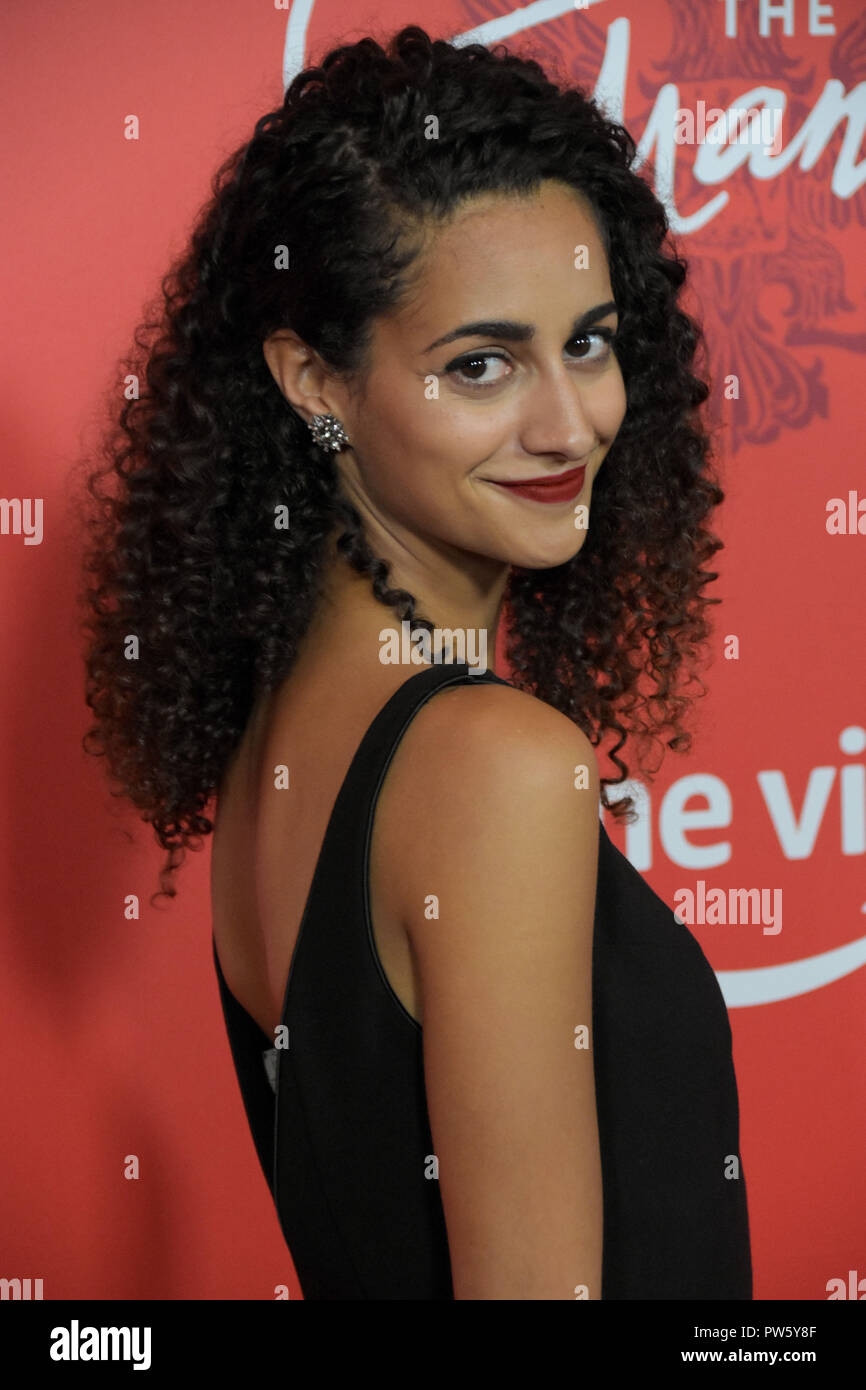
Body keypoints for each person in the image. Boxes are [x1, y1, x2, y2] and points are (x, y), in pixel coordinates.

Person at [79, 24, 752, 1300]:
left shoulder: (287, 726)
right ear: (312, 380)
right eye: (480, 365)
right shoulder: (489, 766)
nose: (567, 423)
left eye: (591, 342)